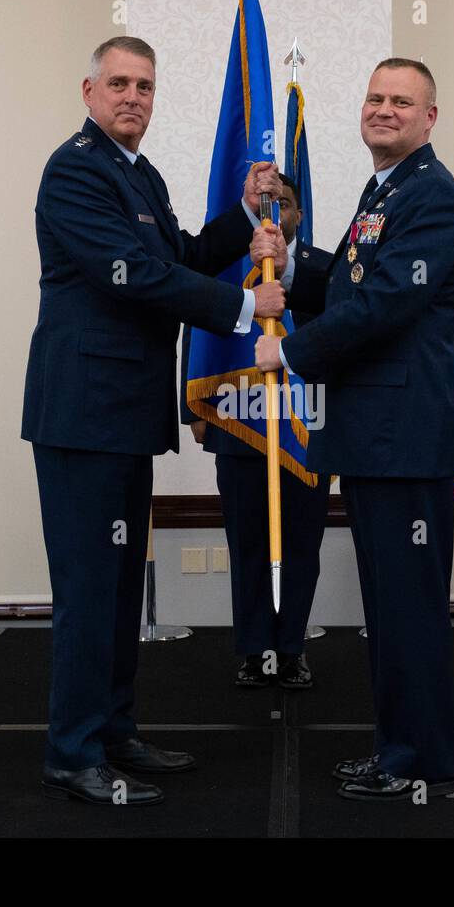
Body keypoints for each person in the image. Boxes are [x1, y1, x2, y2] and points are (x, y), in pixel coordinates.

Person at [23, 36, 284, 806]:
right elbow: (133, 275)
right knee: (88, 590)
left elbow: (187, 256)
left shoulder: (140, 173)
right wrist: (245, 305)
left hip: (124, 416)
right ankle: (72, 751)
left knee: (117, 589)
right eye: (119, 84)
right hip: (82, 417)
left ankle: (114, 732)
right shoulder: (74, 169)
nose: (133, 96)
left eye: (144, 85)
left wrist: (244, 213)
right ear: (89, 90)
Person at [254, 58, 454, 801]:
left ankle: (419, 761)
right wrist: (297, 256)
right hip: (377, 434)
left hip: (406, 436)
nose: (383, 110)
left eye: (401, 102)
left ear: (429, 118)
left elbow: (384, 306)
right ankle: (399, 747)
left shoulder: (432, 199)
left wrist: (287, 348)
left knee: (407, 609)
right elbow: (355, 280)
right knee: (389, 607)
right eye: (375, 98)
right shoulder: (385, 190)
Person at [183, 174, 331, 690]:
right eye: (267, 204)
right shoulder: (227, 272)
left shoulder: (324, 270)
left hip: (307, 428)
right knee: (246, 544)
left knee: (301, 546)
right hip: (241, 426)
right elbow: (198, 337)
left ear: (299, 216)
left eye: (284, 205)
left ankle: (290, 649)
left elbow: (345, 330)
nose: (275, 214)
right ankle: (253, 651)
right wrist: (196, 412)